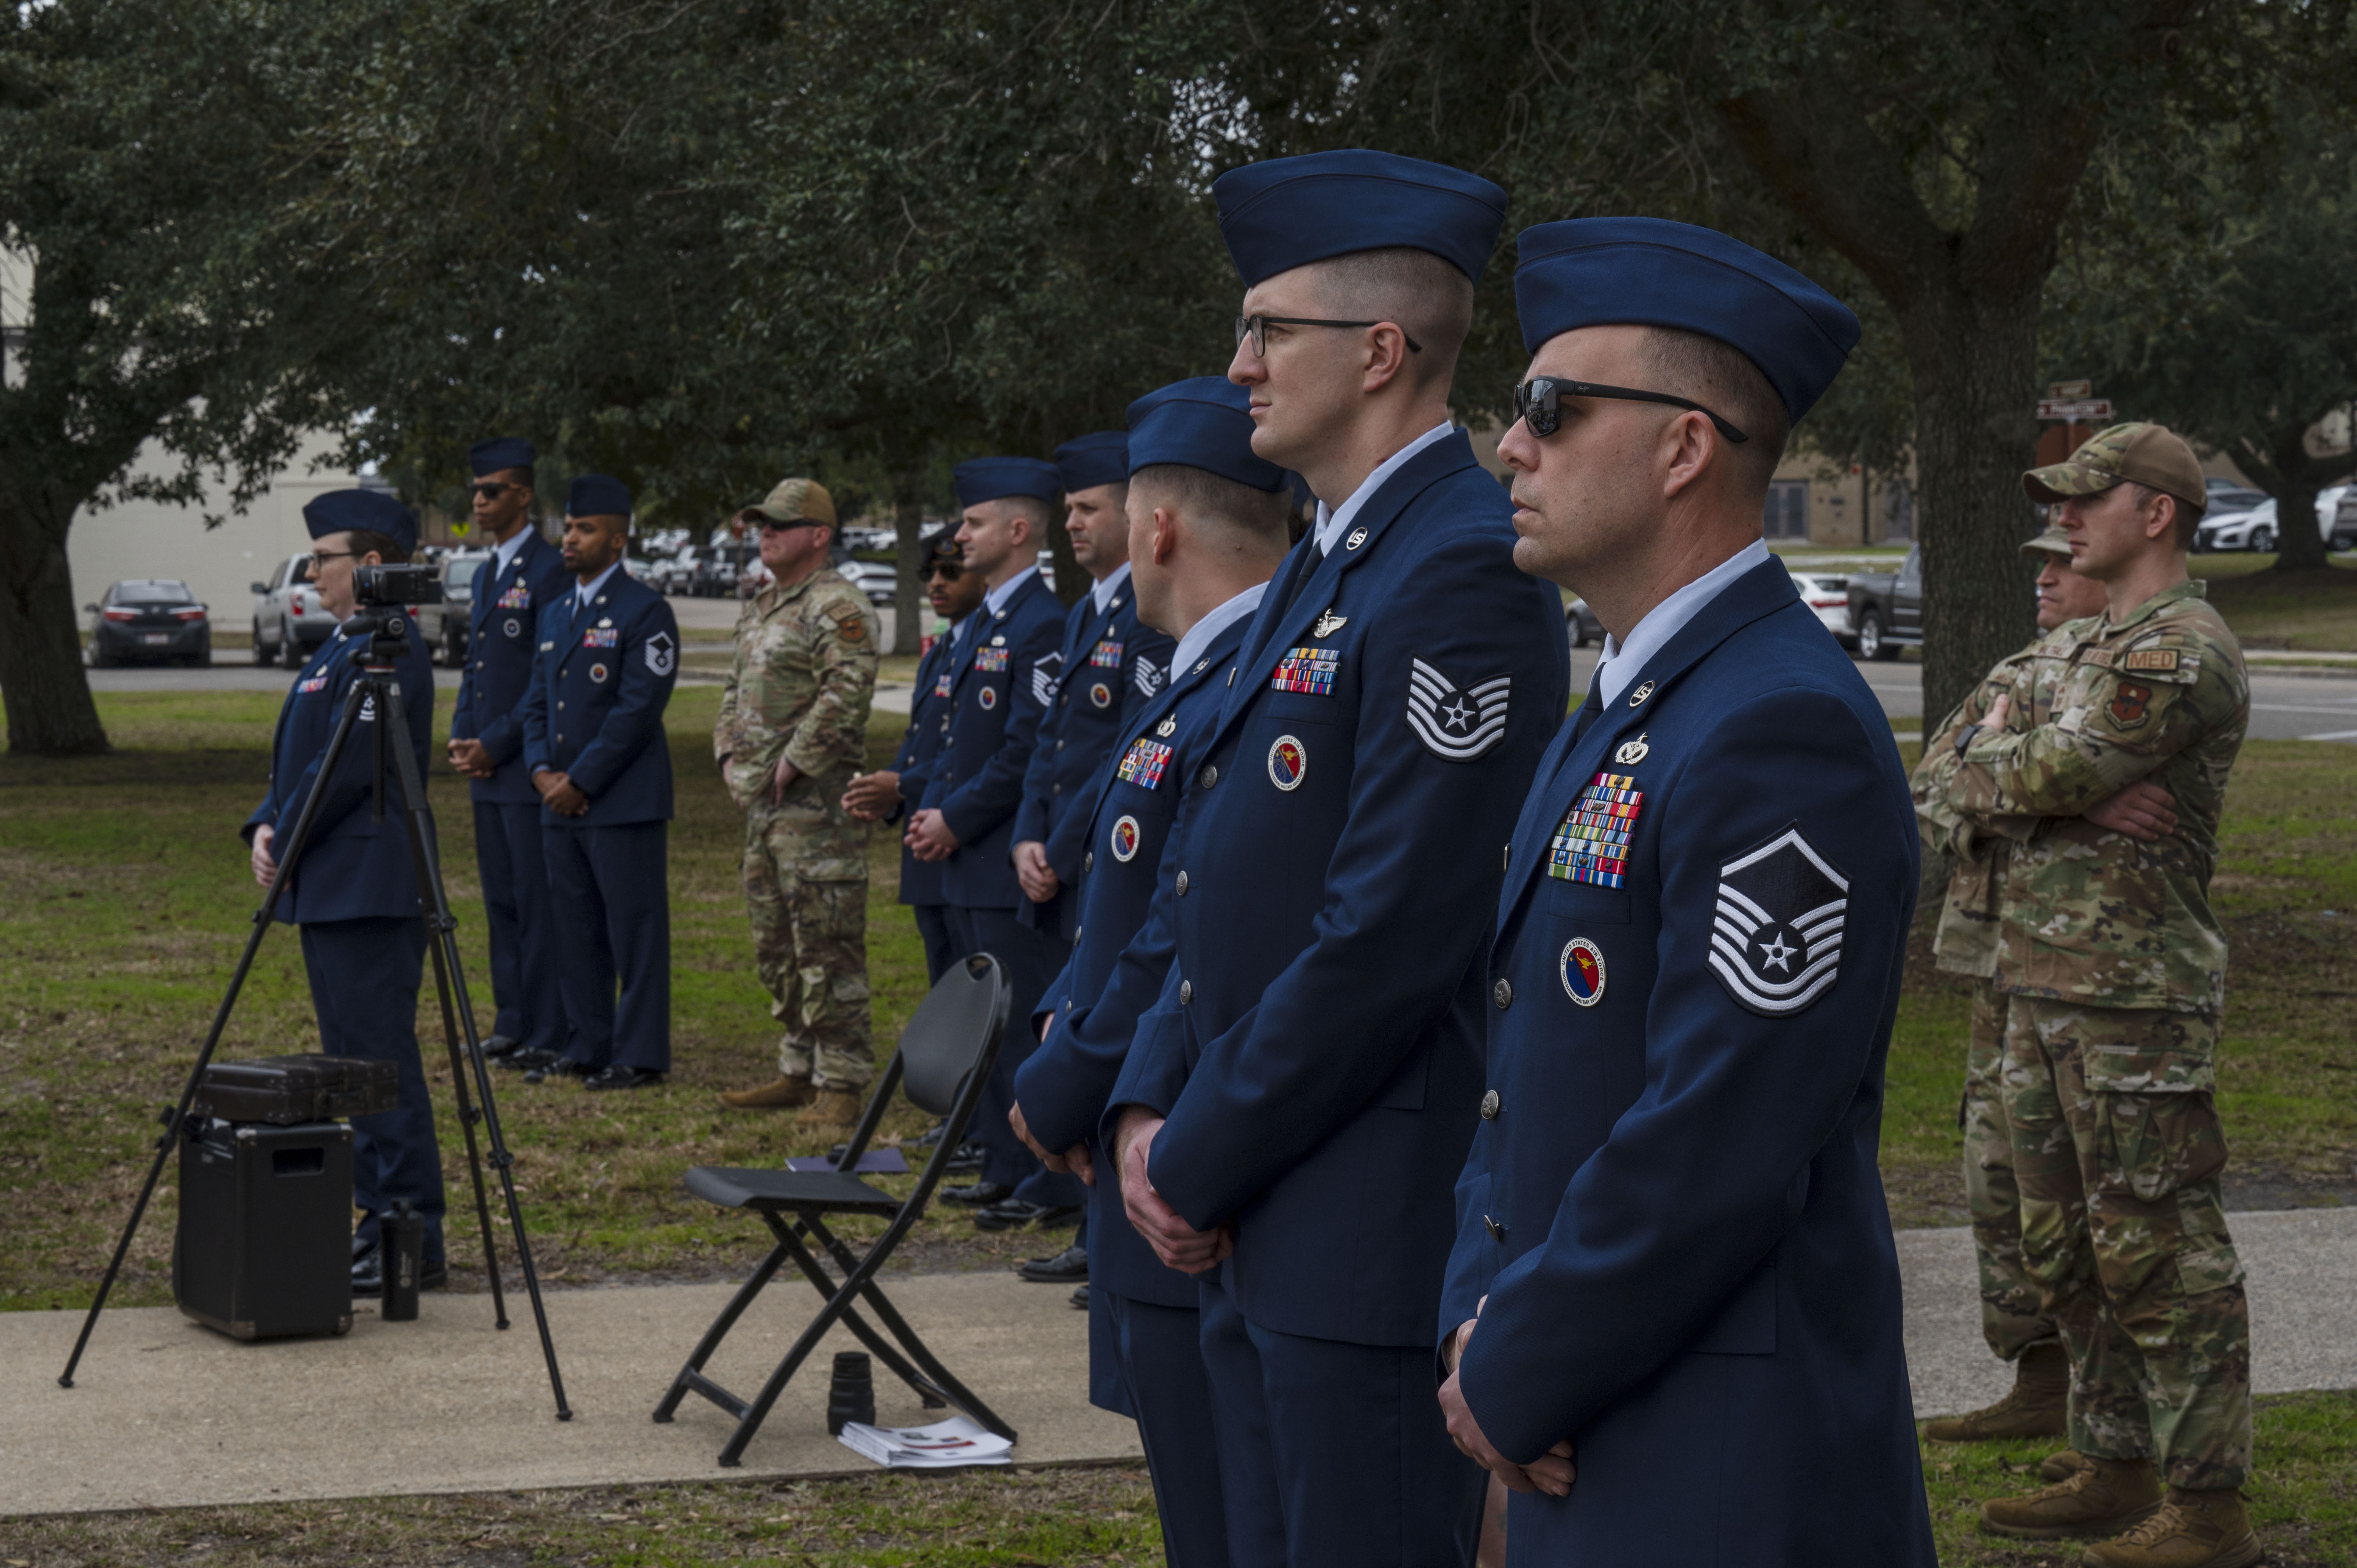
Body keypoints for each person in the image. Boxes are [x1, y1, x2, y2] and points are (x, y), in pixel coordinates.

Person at [1432, 217, 1935, 1565]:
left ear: (1680, 447)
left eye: (1548, 407)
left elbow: (1718, 1127)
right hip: (1585, 1409)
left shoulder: (1780, 726)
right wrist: (1480, 1333)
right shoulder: (1644, 701)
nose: (1508, 446)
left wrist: (1514, 1365)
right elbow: (1521, 1073)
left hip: (1714, 1455)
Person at [1102, 150, 1569, 1568]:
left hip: (1356, 1215)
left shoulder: (1459, 563)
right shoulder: (1329, 555)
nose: (1237, 366)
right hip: (1261, 1195)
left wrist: (1198, 1144)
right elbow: (1208, 867)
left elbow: (1393, 927)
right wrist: (1147, 1098)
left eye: (1265, 331)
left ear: (1377, 353)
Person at [1947, 424, 2256, 1568]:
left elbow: (2054, 768)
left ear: (2159, 513)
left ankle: (2209, 1507)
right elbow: (1968, 777)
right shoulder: (2093, 647)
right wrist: (2020, 766)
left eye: (2089, 500)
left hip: (2134, 998)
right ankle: (2112, 1463)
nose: (2065, 520)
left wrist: (2013, 765)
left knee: (2161, 1254)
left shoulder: (2181, 650)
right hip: (2037, 981)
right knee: (2064, 1243)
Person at [1011, 374, 1293, 1568]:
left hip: (1177, 1158)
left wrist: (1070, 1082)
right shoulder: (1195, 678)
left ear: (1155, 528)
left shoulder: (1246, 684)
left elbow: (1178, 934)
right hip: (1141, 1145)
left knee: (1229, 1522)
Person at [1912, 524, 2111, 1447]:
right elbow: (1931, 787)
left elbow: (2107, 806)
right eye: (2038, 558)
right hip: (1996, 959)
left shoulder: (2127, 677)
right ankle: (2038, 1372)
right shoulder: (2012, 674)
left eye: (2063, 561)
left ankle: (2110, 1404)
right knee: (1995, 1173)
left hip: (2086, 968)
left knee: (2087, 1187)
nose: (2043, 573)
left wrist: (2000, 787)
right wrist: (2035, 802)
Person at [243, 488, 446, 1295]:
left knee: (377, 1062)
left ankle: (407, 1229)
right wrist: (267, 822)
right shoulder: (342, 646)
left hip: (369, 885)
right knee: (352, 1062)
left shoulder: (389, 651)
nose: (313, 572)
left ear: (368, 565)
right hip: (331, 883)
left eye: (322, 558)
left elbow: (352, 767)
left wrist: (288, 837)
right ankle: (377, 1217)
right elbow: (299, 756)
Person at [986, 431, 1176, 1240]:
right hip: (1050, 855)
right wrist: (1026, 834)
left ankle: (1092, 1224)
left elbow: (1120, 750)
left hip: (1093, 861)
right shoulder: (1081, 618)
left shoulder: (1147, 618)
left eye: (1089, 507)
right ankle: (1068, 1200)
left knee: (1095, 1026)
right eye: (1066, 510)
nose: (1073, 523)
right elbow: (1049, 742)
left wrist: (1059, 851)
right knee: (1052, 1025)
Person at [903, 457, 1068, 1208]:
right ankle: (1004, 1159)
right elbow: (957, 736)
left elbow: (1027, 745)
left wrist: (957, 817)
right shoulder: (989, 621)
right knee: (984, 1028)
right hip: (965, 857)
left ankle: (1043, 1172)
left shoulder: (1040, 622)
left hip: (1000, 853)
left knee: (1019, 1020)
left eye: (971, 523)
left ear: (1016, 529)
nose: (959, 536)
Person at [712, 479, 880, 1127]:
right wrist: (730, 757)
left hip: (816, 812)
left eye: (781, 524)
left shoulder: (837, 605)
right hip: (763, 807)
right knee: (774, 943)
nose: (766, 532)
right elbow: (732, 688)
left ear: (818, 535)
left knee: (825, 942)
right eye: (762, 523)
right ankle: (797, 1064)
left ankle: (840, 1082)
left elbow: (846, 692)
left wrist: (791, 763)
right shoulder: (761, 605)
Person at [513, 475, 681, 1090]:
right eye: (569, 528)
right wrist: (539, 772)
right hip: (557, 800)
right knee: (574, 927)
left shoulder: (646, 611)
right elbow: (537, 702)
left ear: (618, 542)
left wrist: (580, 780)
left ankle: (638, 1054)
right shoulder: (558, 611)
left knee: (632, 931)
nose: (570, 539)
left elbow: (637, 710)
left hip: (621, 803)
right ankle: (588, 1042)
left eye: (586, 530)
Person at [445, 437, 571, 1068]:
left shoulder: (548, 569)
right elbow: (477, 666)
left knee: (535, 900)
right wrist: (462, 734)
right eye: (475, 490)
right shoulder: (491, 568)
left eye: (491, 490)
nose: (479, 500)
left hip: (524, 764)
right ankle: (511, 1020)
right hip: (486, 767)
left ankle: (547, 1028)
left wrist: (495, 743)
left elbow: (542, 677)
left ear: (523, 494)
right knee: (499, 898)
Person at [844, 530, 986, 985]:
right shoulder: (941, 650)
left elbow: (975, 752)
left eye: (951, 572)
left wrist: (901, 785)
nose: (937, 584)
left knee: (979, 995)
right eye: (930, 574)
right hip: (924, 848)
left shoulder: (989, 647)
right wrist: (885, 785)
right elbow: (921, 738)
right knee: (943, 993)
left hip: (966, 842)